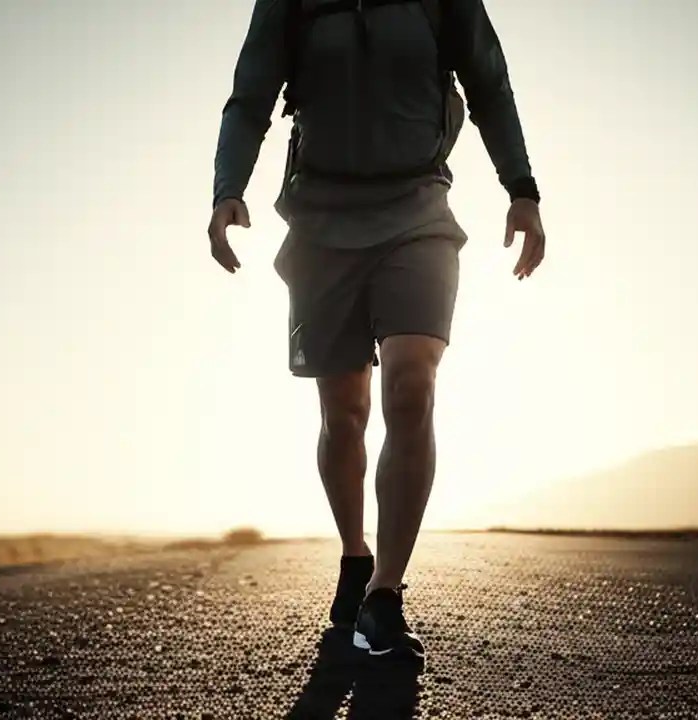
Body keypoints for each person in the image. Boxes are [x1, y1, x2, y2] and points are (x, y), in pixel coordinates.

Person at [207, 0, 544, 664]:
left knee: (411, 387)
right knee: (344, 412)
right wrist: (227, 189)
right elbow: (249, 97)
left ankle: (386, 596)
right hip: (320, 220)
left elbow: (489, 85)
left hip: (417, 209)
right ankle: (356, 557)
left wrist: (522, 188)